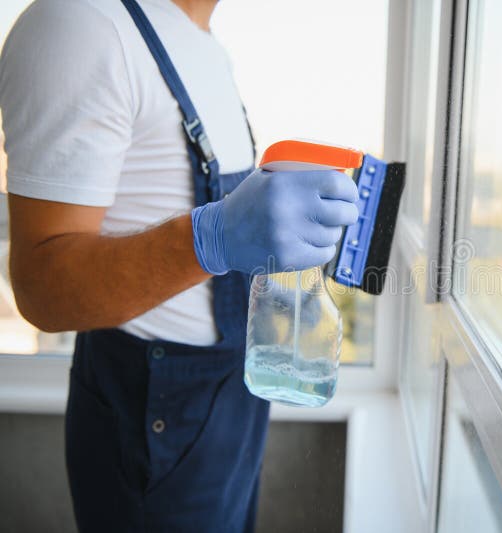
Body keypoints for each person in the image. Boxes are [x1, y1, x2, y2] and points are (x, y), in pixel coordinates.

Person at [0, 0, 359, 531]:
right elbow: (39, 287)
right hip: (157, 423)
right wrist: (210, 239)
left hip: (231, 401)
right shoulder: (80, 23)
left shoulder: (203, 43)